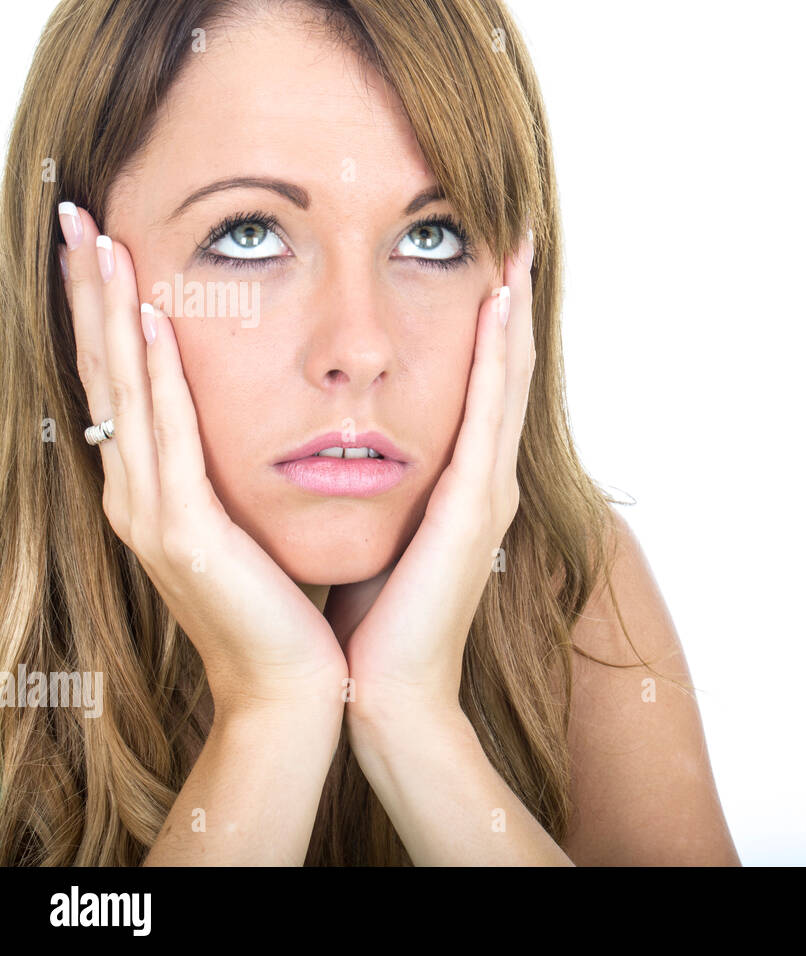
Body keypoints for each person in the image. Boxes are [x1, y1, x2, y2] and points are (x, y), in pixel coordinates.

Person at [0, 0, 740, 866]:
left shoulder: (569, 587)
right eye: (247, 236)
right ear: (75, 282)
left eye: (431, 236)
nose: (361, 347)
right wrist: (272, 711)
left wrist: (416, 721)